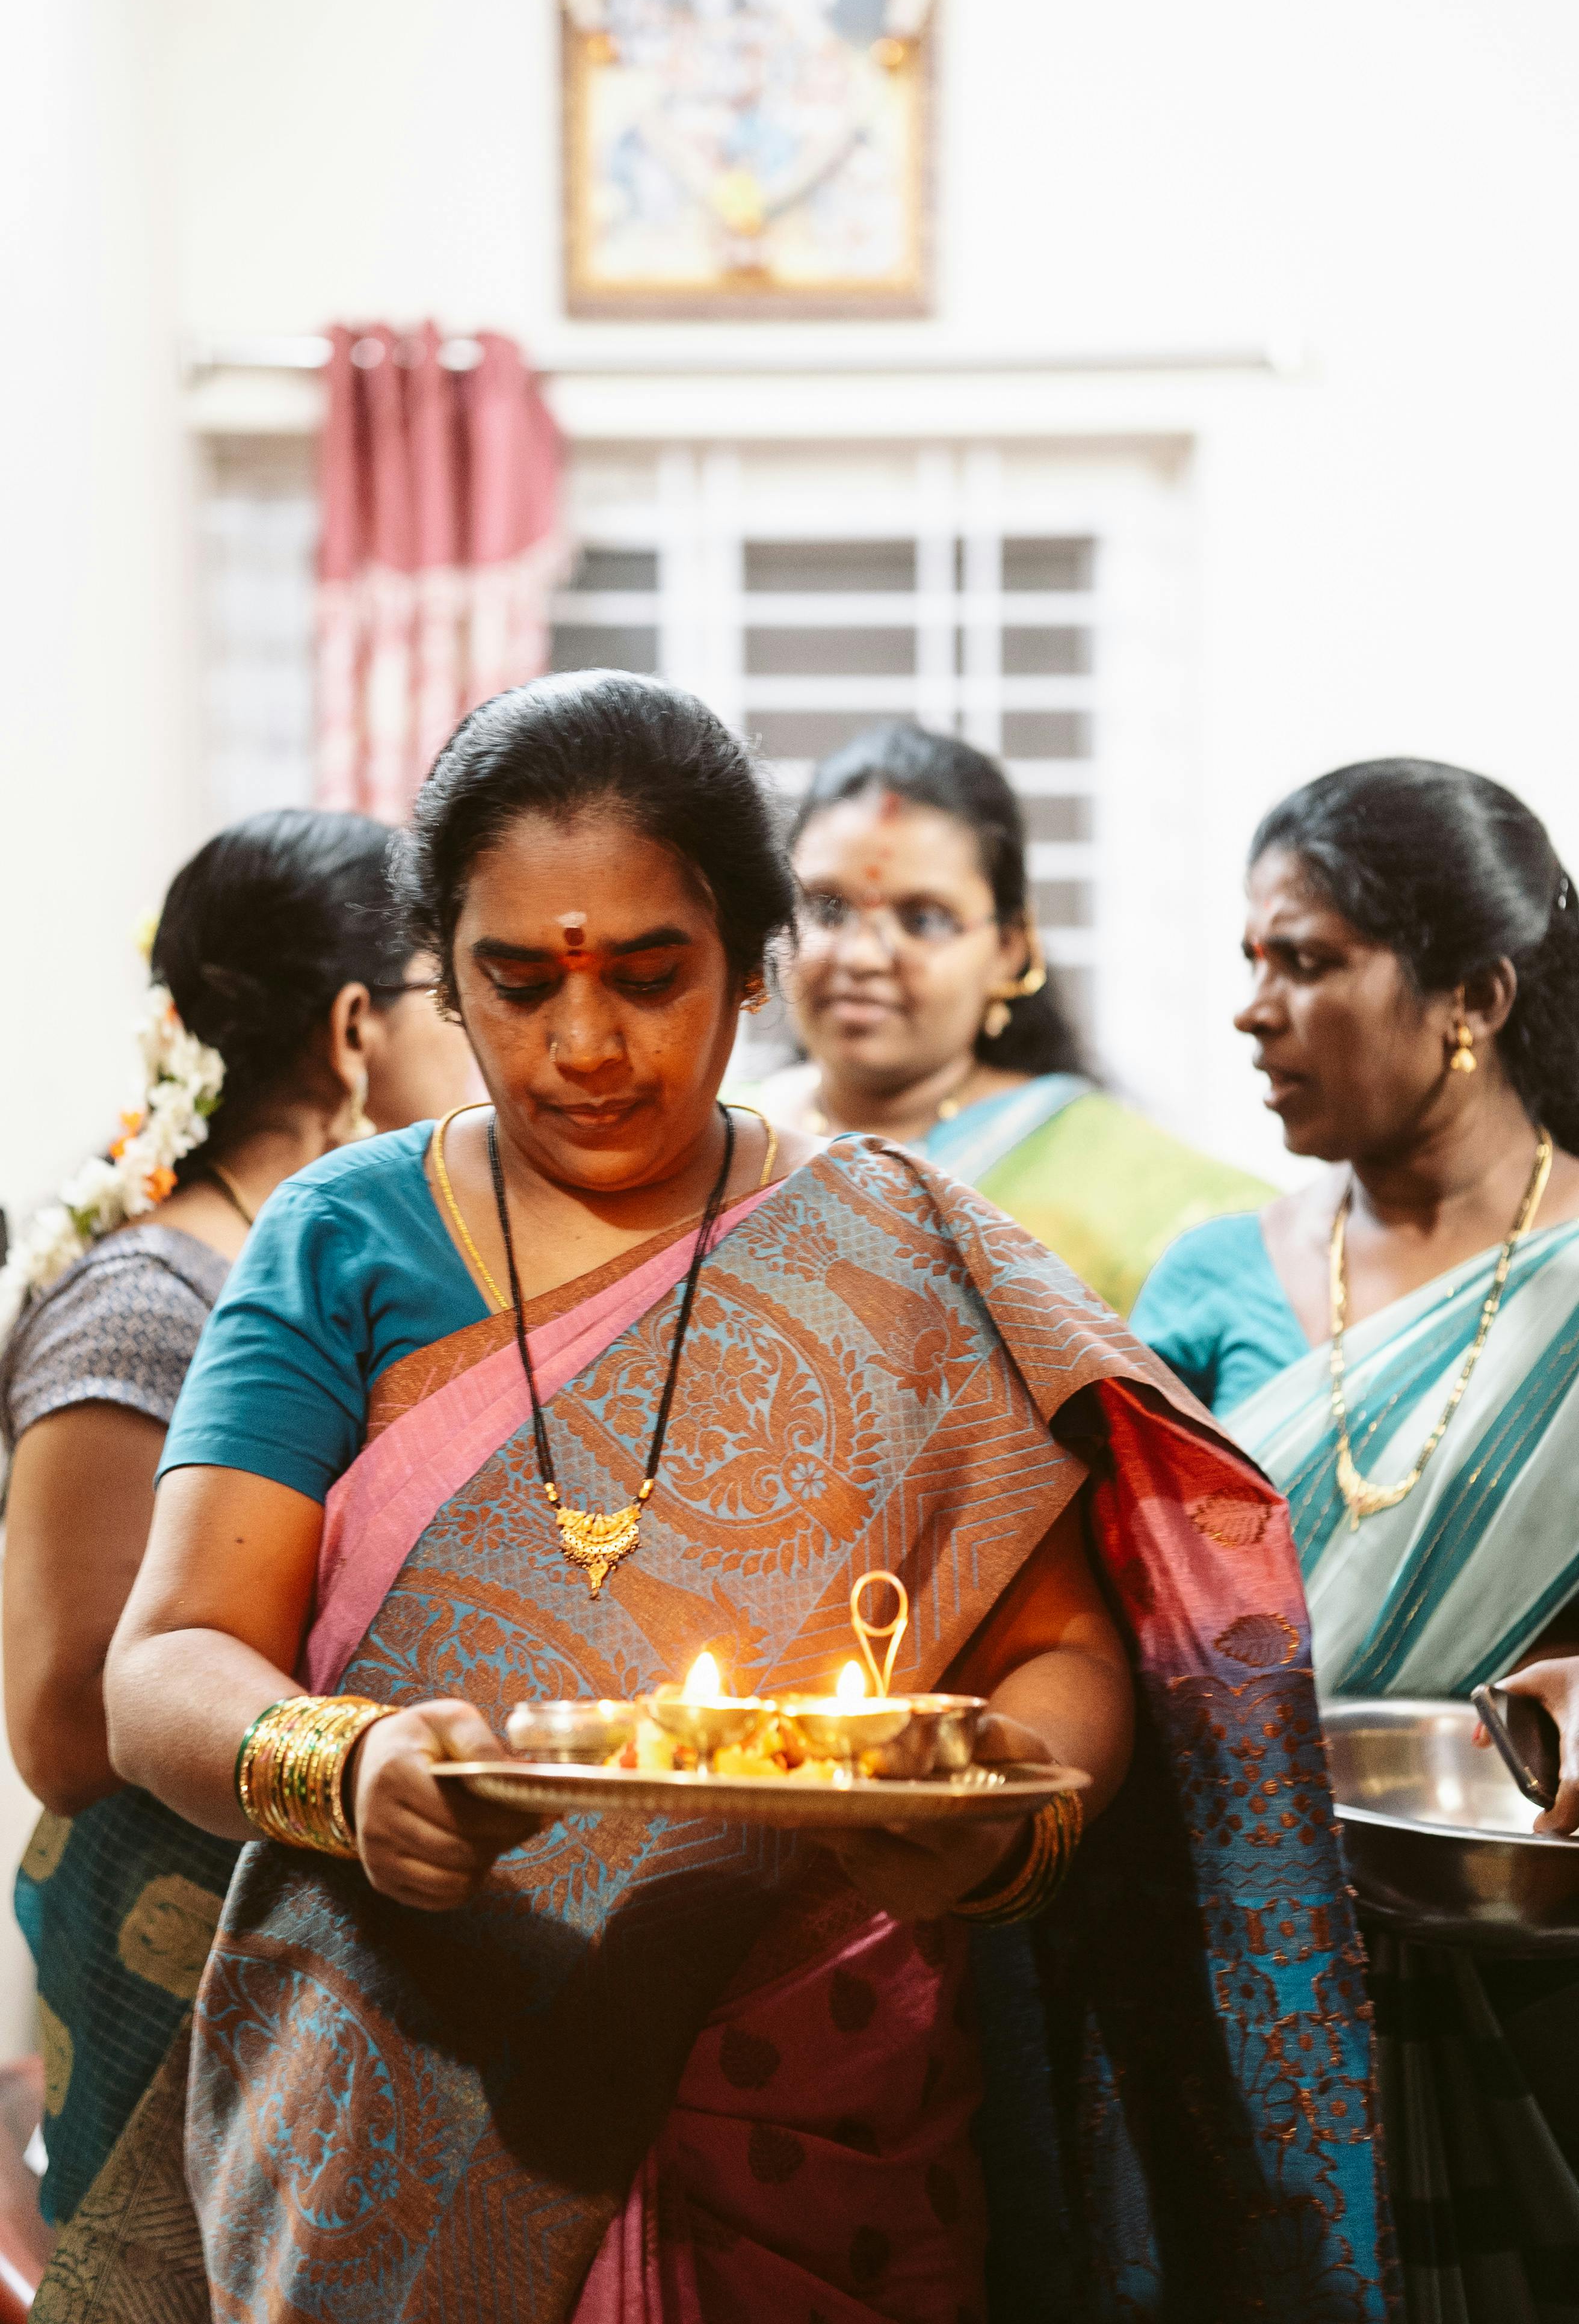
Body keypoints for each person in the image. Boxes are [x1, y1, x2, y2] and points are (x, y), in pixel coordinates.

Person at [97, 676, 1389, 2323]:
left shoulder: (897, 1249)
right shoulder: (346, 1238)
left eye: (652, 976)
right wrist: (342, 1767)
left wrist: (998, 1825)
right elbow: (167, 1666)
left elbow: (1060, 1655)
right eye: (513, 982)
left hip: (829, 2104)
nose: (582, 1045)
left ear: (756, 968)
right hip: (412, 2071)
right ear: (440, 973)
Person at [1131, 757, 1579, 2320]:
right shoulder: (1207, 1281)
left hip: (1541, 1994)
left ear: (1472, 995)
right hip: (1235, 1982)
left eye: (1307, 962)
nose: (1256, 1009)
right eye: (1253, 962)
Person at [0, 807, 477, 2245]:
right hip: (173, 1933)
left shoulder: (339, 1280)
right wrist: (325, 1741)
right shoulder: (159, 1301)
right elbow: (65, 1723)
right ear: (353, 1029)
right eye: (458, 995)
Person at [750, 722, 1272, 1313]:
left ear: (1009, 949)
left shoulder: (1129, 1185)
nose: (863, 955)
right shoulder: (700, 1138)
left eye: (925, 919)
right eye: (826, 907)